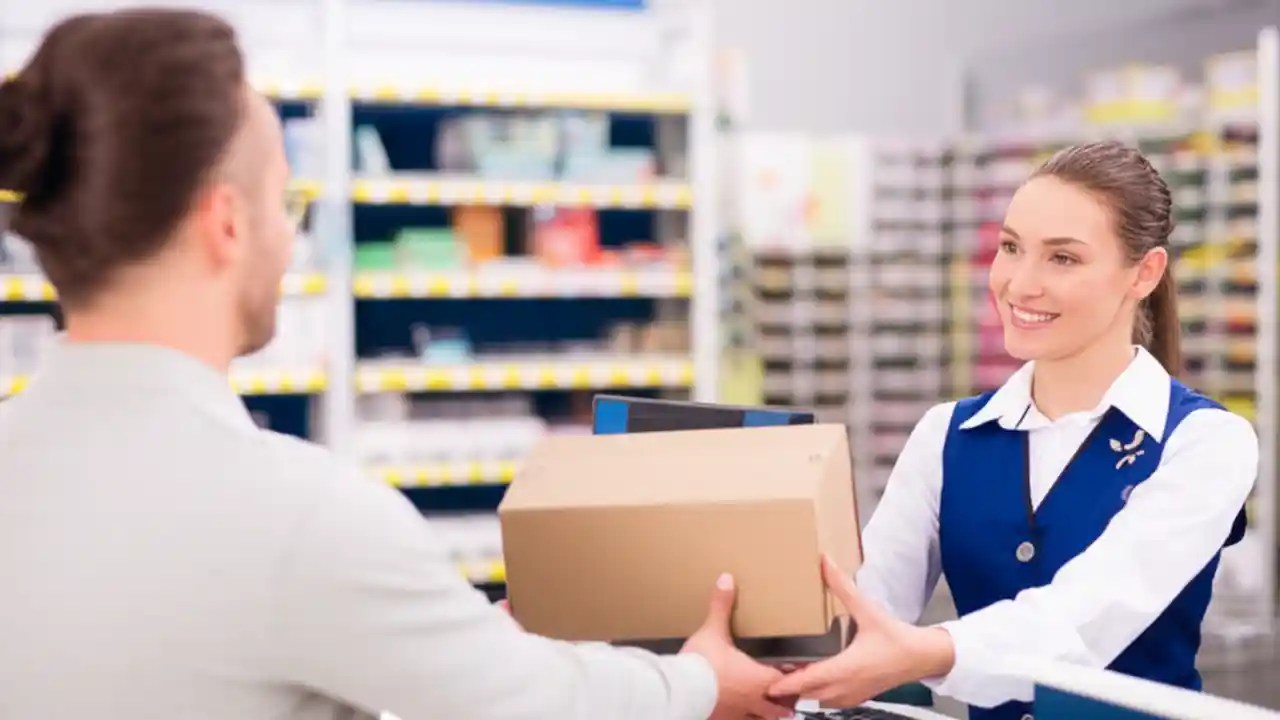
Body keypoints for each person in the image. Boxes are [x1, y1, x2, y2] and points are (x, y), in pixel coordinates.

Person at [0, 9, 794, 720]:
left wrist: (452, 648)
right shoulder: (302, 516)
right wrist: (697, 681)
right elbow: (534, 707)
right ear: (227, 224)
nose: (290, 239)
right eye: (286, 204)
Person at [769, 141, 1258, 719]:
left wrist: (929, 652)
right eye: (1010, 248)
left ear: (1145, 273)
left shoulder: (1204, 443)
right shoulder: (947, 435)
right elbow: (865, 606)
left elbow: (1089, 615)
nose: (1020, 284)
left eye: (1063, 258)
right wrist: (769, 659)